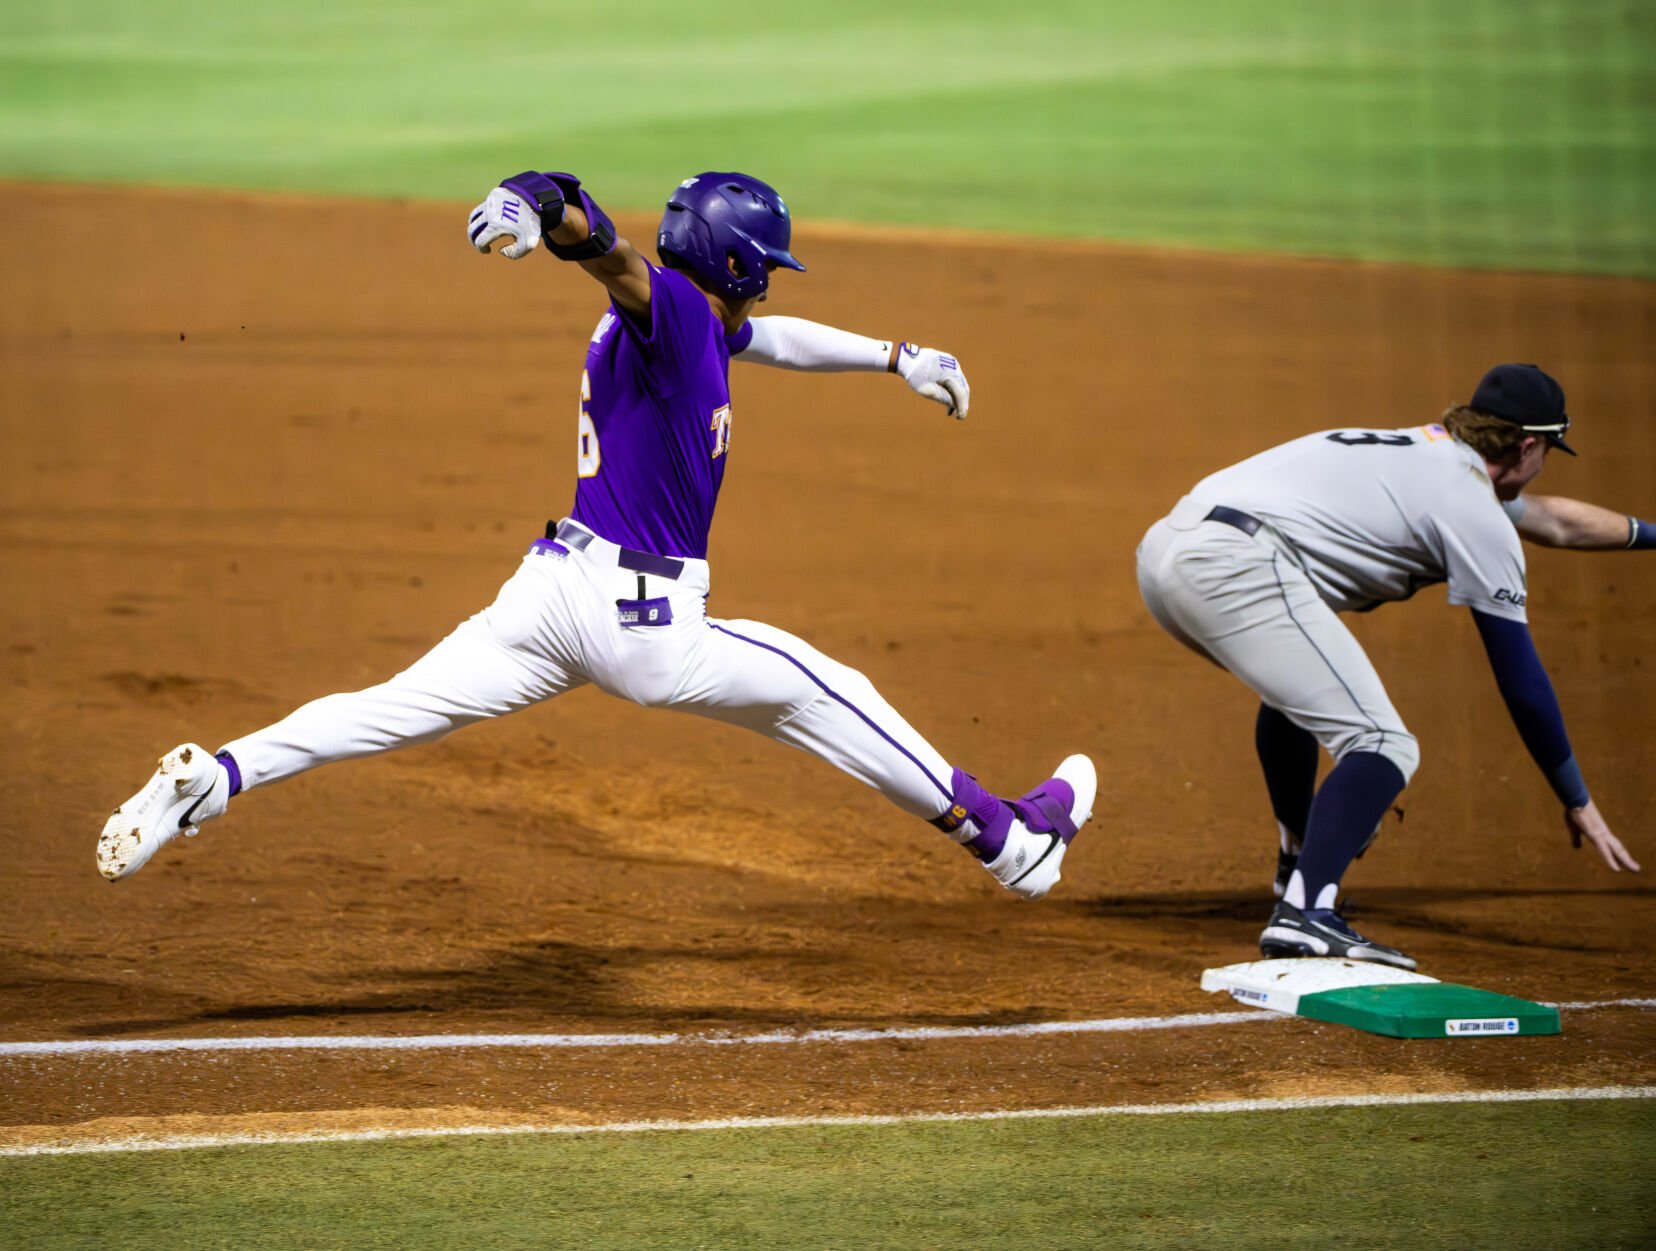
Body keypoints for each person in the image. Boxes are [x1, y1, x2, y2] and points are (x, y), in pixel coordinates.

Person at [97, 169, 1096, 899]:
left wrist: (895, 356)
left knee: (387, 707)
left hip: (549, 597)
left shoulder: (697, 326)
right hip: (648, 625)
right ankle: (1011, 843)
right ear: (737, 263)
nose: (774, 285)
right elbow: (606, 251)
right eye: (767, 267)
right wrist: (538, 201)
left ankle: (218, 780)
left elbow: (767, 339)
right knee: (832, 689)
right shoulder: (662, 308)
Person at [1136, 364, 1646, 969]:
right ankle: (1307, 915)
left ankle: (1299, 863)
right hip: (1236, 569)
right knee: (1381, 742)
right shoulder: (1473, 511)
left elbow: (1556, 521)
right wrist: (1578, 798)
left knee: (1297, 696)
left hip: (1167, 553)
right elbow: (1521, 681)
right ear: (1528, 445)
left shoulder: (1426, 453)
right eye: (1549, 450)